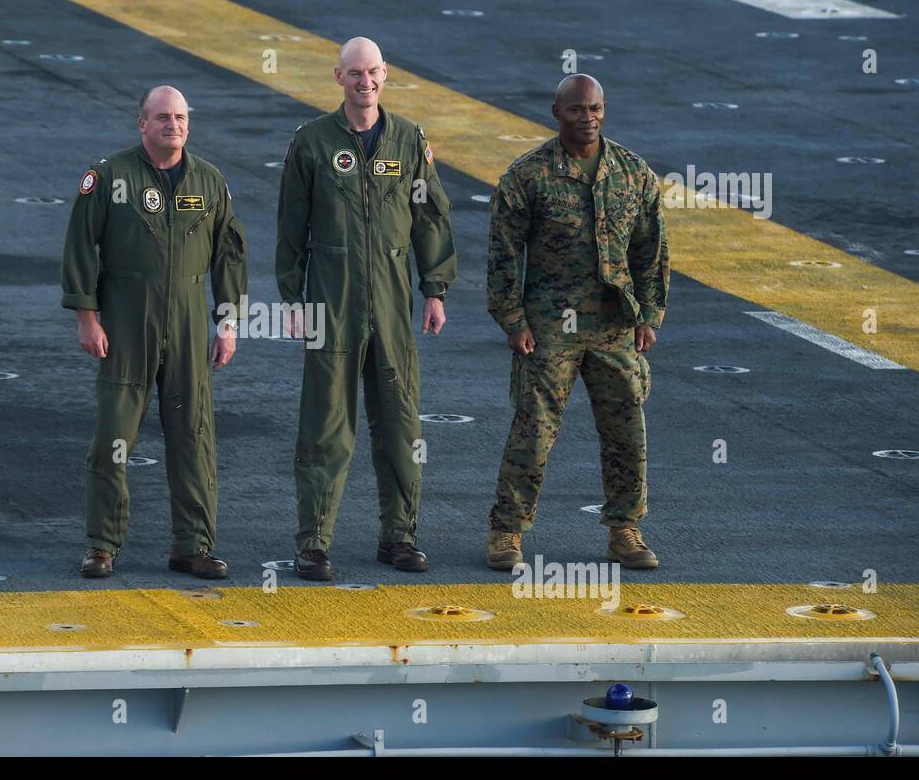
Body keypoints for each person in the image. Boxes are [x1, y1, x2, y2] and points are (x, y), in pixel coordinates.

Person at [276, 37, 457, 581]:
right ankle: (313, 543)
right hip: (331, 303)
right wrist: (293, 300)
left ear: (385, 75)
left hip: (393, 304)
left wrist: (434, 289)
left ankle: (398, 537)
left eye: (373, 72)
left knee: (400, 423)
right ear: (338, 77)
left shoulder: (408, 139)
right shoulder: (310, 143)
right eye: (355, 73)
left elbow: (430, 217)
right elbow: (291, 229)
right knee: (326, 425)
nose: (365, 82)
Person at [61, 86, 247, 579]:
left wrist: (226, 323)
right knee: (113, 437)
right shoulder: (108, 177)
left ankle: (193, 545)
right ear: (142, 124)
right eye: (162, 117)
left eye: (181, 117)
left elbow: (229, 255)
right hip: (125, 322)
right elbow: (81, 245)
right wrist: (87, 316)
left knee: (194, 437)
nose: (174, 125)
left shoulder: (209, 181)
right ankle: (103, 544)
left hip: (187, 321)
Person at [485, 74, 669, 570]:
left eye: (595, 109)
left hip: (615, 325)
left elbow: (651, 251)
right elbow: (504, 256)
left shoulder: (633, 173)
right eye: (576, 110)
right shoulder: (528, 176)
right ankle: (508, 531)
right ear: (556, 113)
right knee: (534, 430)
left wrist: (650, 314)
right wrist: (512, 320)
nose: (587, 118)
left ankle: (626, 530)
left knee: (627, 428)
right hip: (549, 327)